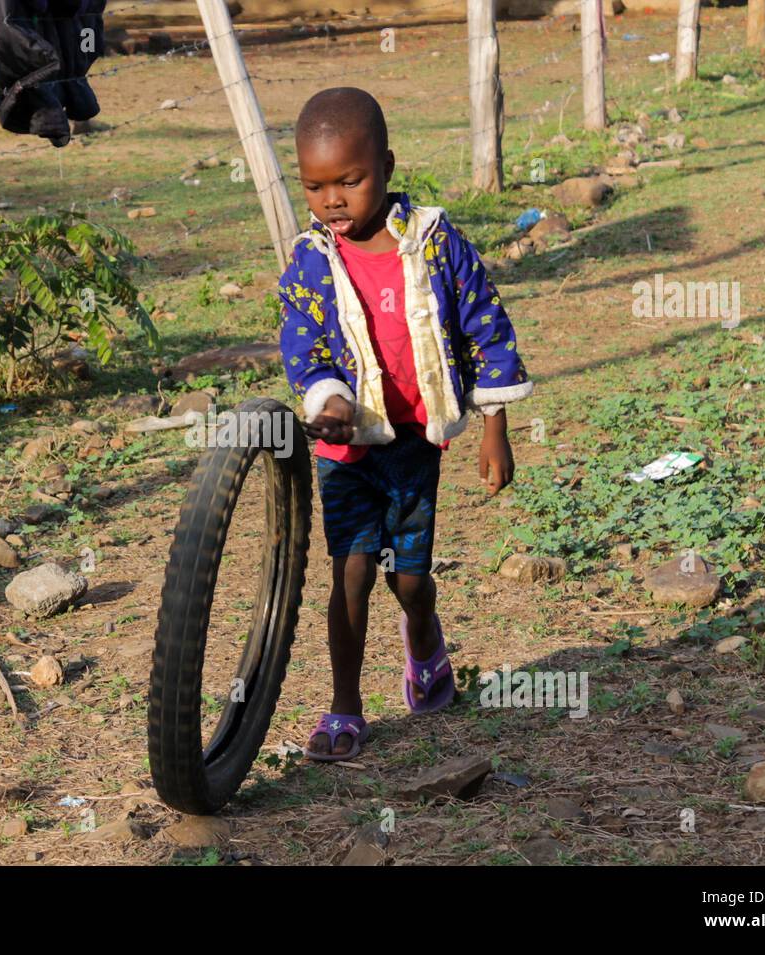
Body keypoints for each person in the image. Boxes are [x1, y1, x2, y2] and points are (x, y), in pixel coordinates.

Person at [278, 87, 534, 761]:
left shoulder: (435, 242)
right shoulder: (310, 259)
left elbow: (485, 324)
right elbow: (301, 341)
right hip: (347, 444)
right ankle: (345, 707)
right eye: (315, 185)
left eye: (350, 181)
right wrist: (323, 395)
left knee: (408, 577)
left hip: (416, 440)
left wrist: (494, 424)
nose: (332, 199)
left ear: (387, 167)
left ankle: (424, 636)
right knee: (352, 571)